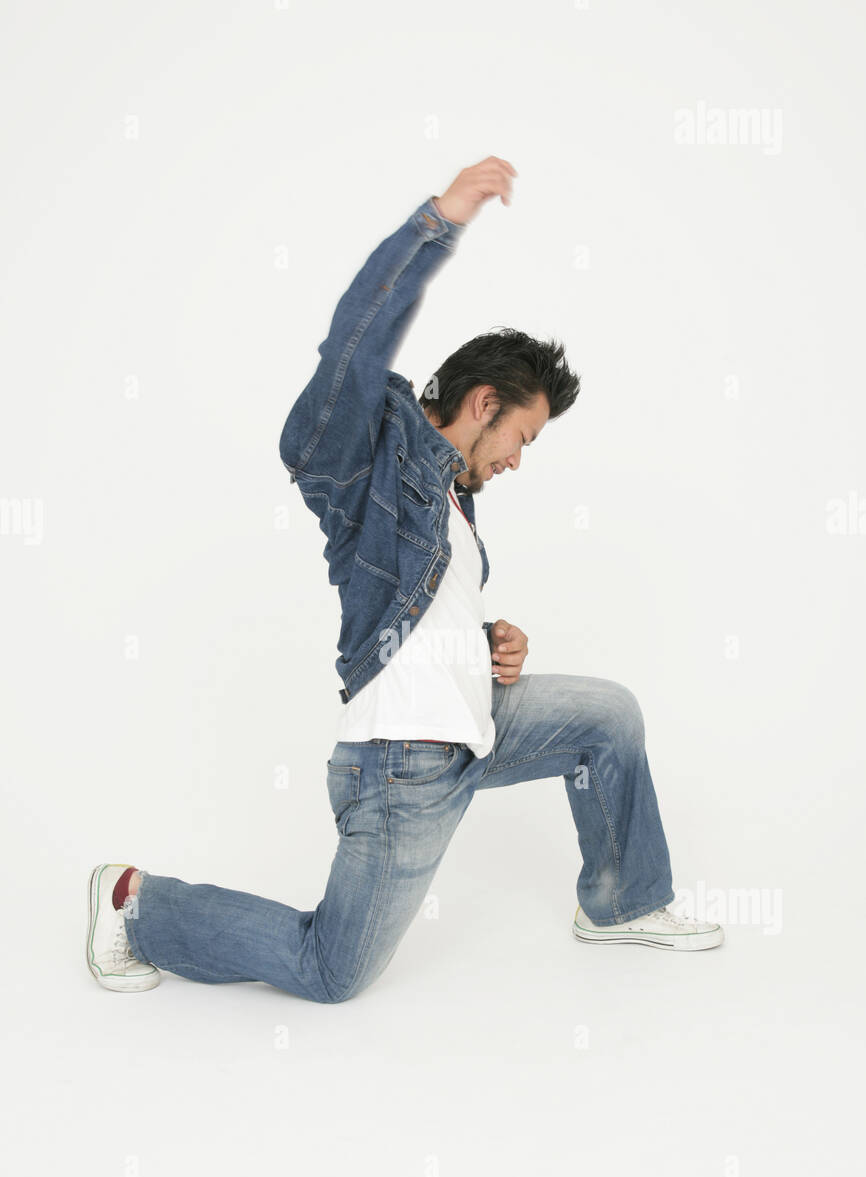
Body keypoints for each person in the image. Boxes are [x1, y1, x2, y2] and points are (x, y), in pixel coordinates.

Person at [86, 156, 723, 999]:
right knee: (332, 972)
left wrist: (489, 639)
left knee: (609, 717)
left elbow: (428, 610)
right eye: (522, 438)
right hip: (402, 768)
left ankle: (619, 903)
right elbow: (354, 342)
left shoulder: (454, 504)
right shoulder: (364, 461)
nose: (518, 461)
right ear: (486, 401)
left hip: (473, 733)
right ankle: (136, 904)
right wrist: (441, 221)